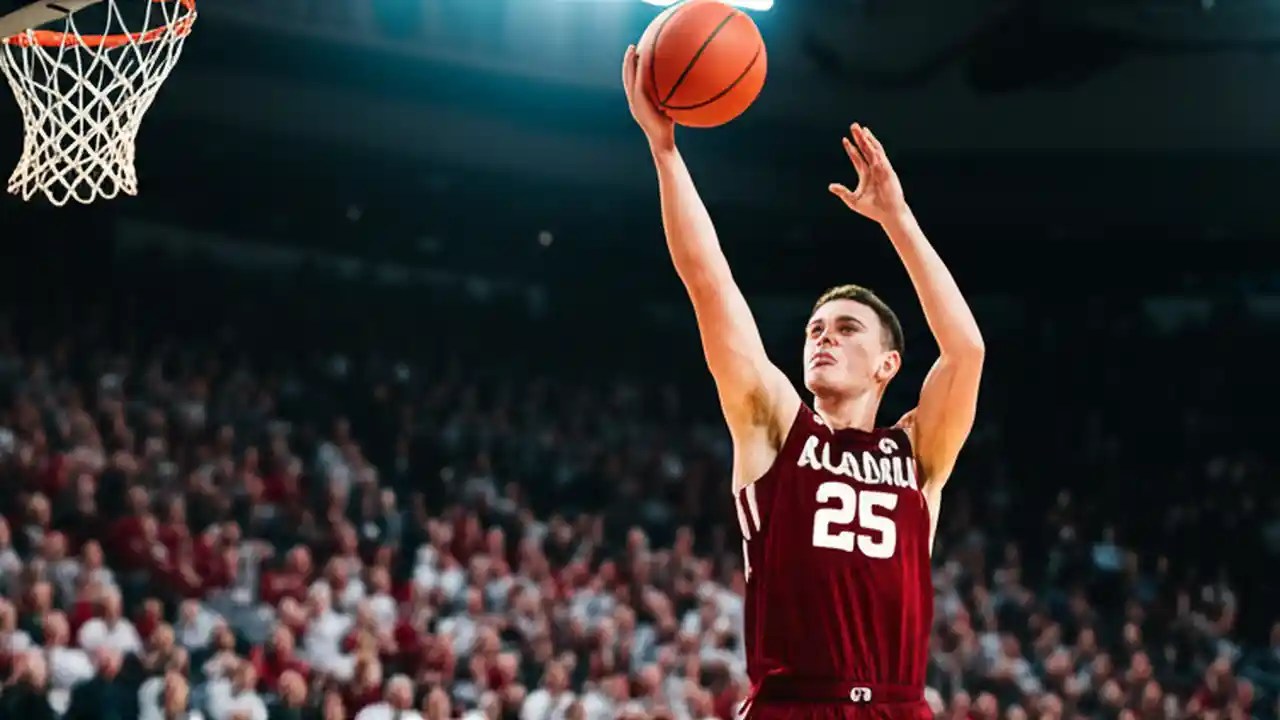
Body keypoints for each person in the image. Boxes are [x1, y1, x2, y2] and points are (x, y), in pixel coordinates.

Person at [621, 45, 985, 719]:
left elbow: (966, 350)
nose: (822, 337)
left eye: (846, 329)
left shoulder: (917, 454)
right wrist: (666, 154)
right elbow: (710, 285)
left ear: (887, 366)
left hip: (899, 707)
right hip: (794, 704)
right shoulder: (775, 424)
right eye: (816, 329)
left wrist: (897, 221)